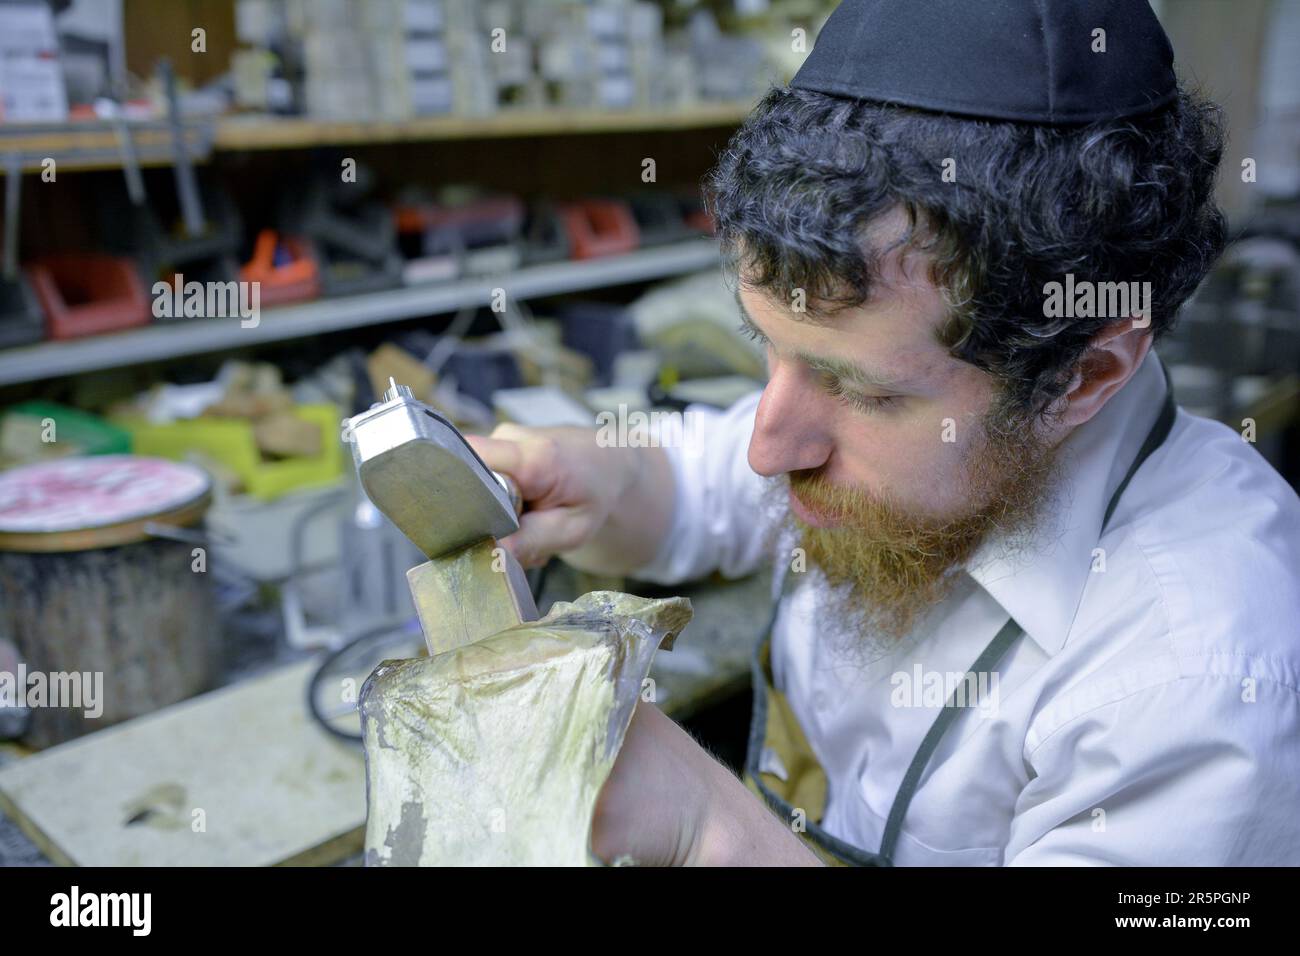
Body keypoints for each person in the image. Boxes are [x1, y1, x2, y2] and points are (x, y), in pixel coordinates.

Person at [467, 0, 1300, 865]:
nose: (769, 447)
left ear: (1081, 376)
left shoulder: (1197, 683)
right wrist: (606, 481)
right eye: (773, 350)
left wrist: (708, 829)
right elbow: (716, 482)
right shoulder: (873, 441)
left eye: (858, 390)